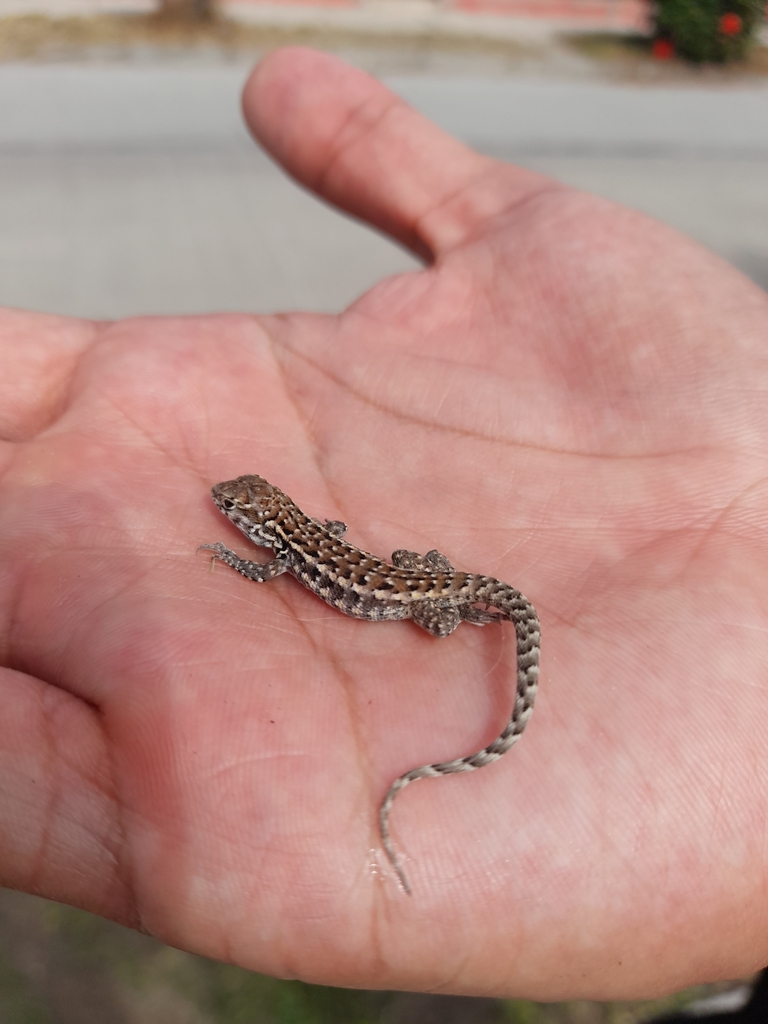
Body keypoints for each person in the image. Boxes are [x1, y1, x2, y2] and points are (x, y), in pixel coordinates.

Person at [0, 46, 766, 1002]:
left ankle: (444, 738)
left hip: (433, 595)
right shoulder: (292, 536)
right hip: (432, 581)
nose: (231, 516)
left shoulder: (282, 552)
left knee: (421, 608)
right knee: (418, 587)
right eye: (236, 511)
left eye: (236, 511)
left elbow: (275, 572)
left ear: (262, 518)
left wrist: (225, 562)